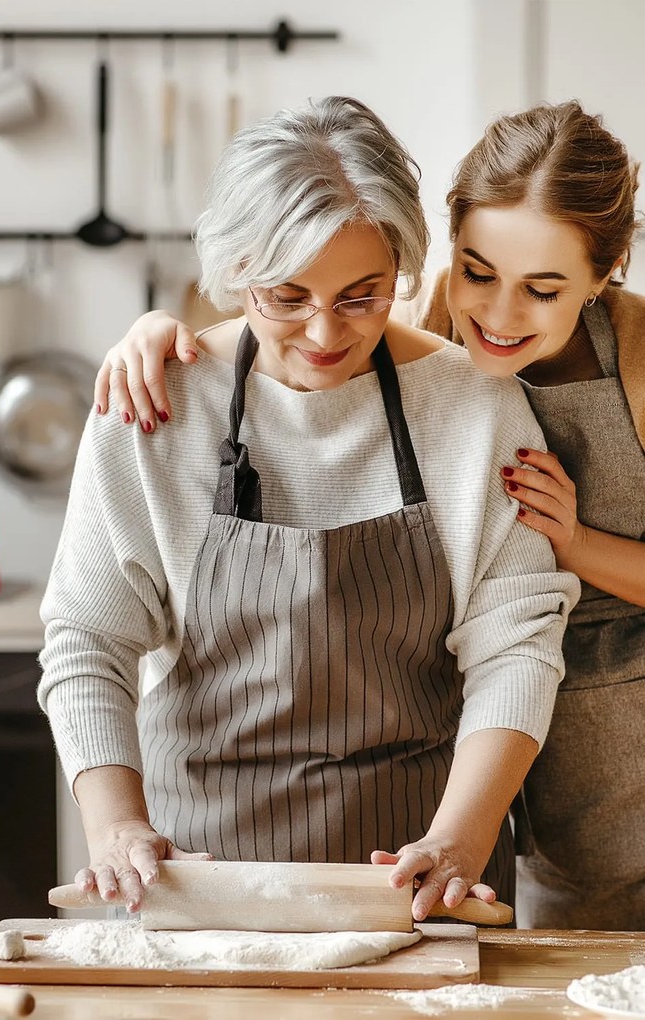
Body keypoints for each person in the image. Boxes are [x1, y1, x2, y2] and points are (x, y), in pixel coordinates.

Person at [93, 99, 645, 931]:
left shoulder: (559, 377)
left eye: (544, 289)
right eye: (479, 273)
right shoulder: (414, 346)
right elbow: (88, 635)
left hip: (550, 775)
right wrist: (159, 333)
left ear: (606, 278)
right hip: (248, 846)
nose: (496, 316)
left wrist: (574, 543)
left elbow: (517, 635)